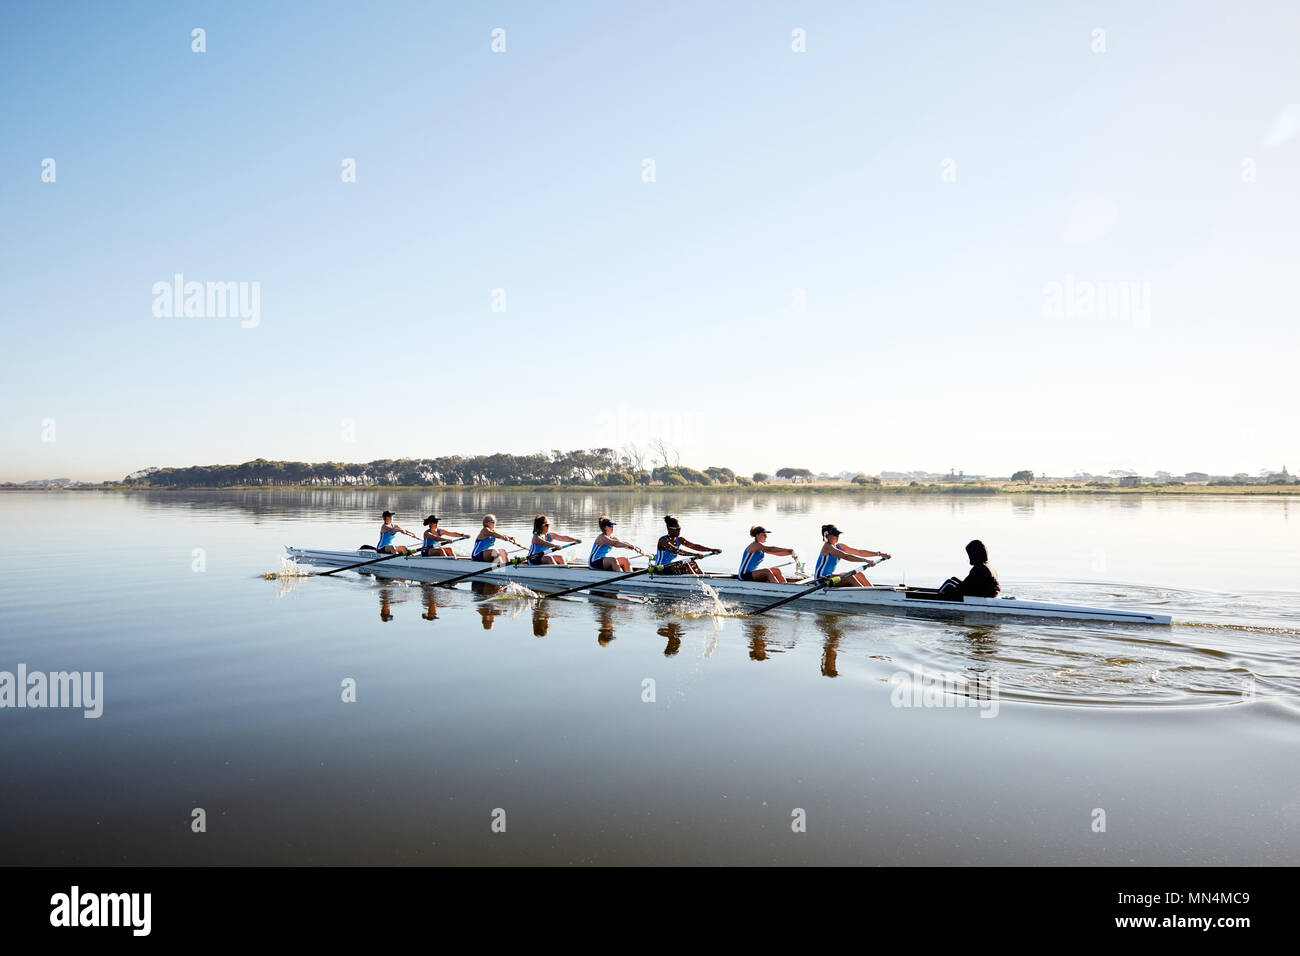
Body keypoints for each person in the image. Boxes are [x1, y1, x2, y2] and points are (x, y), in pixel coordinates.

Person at [814, 525, 890, 587]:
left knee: (859, 574)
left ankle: (871, 591)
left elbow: (859, 552)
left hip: (830, 577)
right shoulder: (827, 547)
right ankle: (865, 594)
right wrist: (866, 560)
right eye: (835, 534)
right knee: (850, 577)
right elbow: (846, 556)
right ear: (827, 535)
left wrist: (879, 554)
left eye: (838, 534)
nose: (837, 537)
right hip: (821, 580)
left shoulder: (840, 546)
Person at [652, 516, 717, 575]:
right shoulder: (663, 540)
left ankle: (703, 578)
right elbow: (677, 551)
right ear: (669, 529)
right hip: (660, 568)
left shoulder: (680, 540)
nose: (679, 531)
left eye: (679, 528)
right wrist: (695, 554)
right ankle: (696, 582)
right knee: (686, 565)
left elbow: (694, 546)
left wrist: (712, 550)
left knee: (692, 563)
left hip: (670, 566)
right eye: (677, 529)